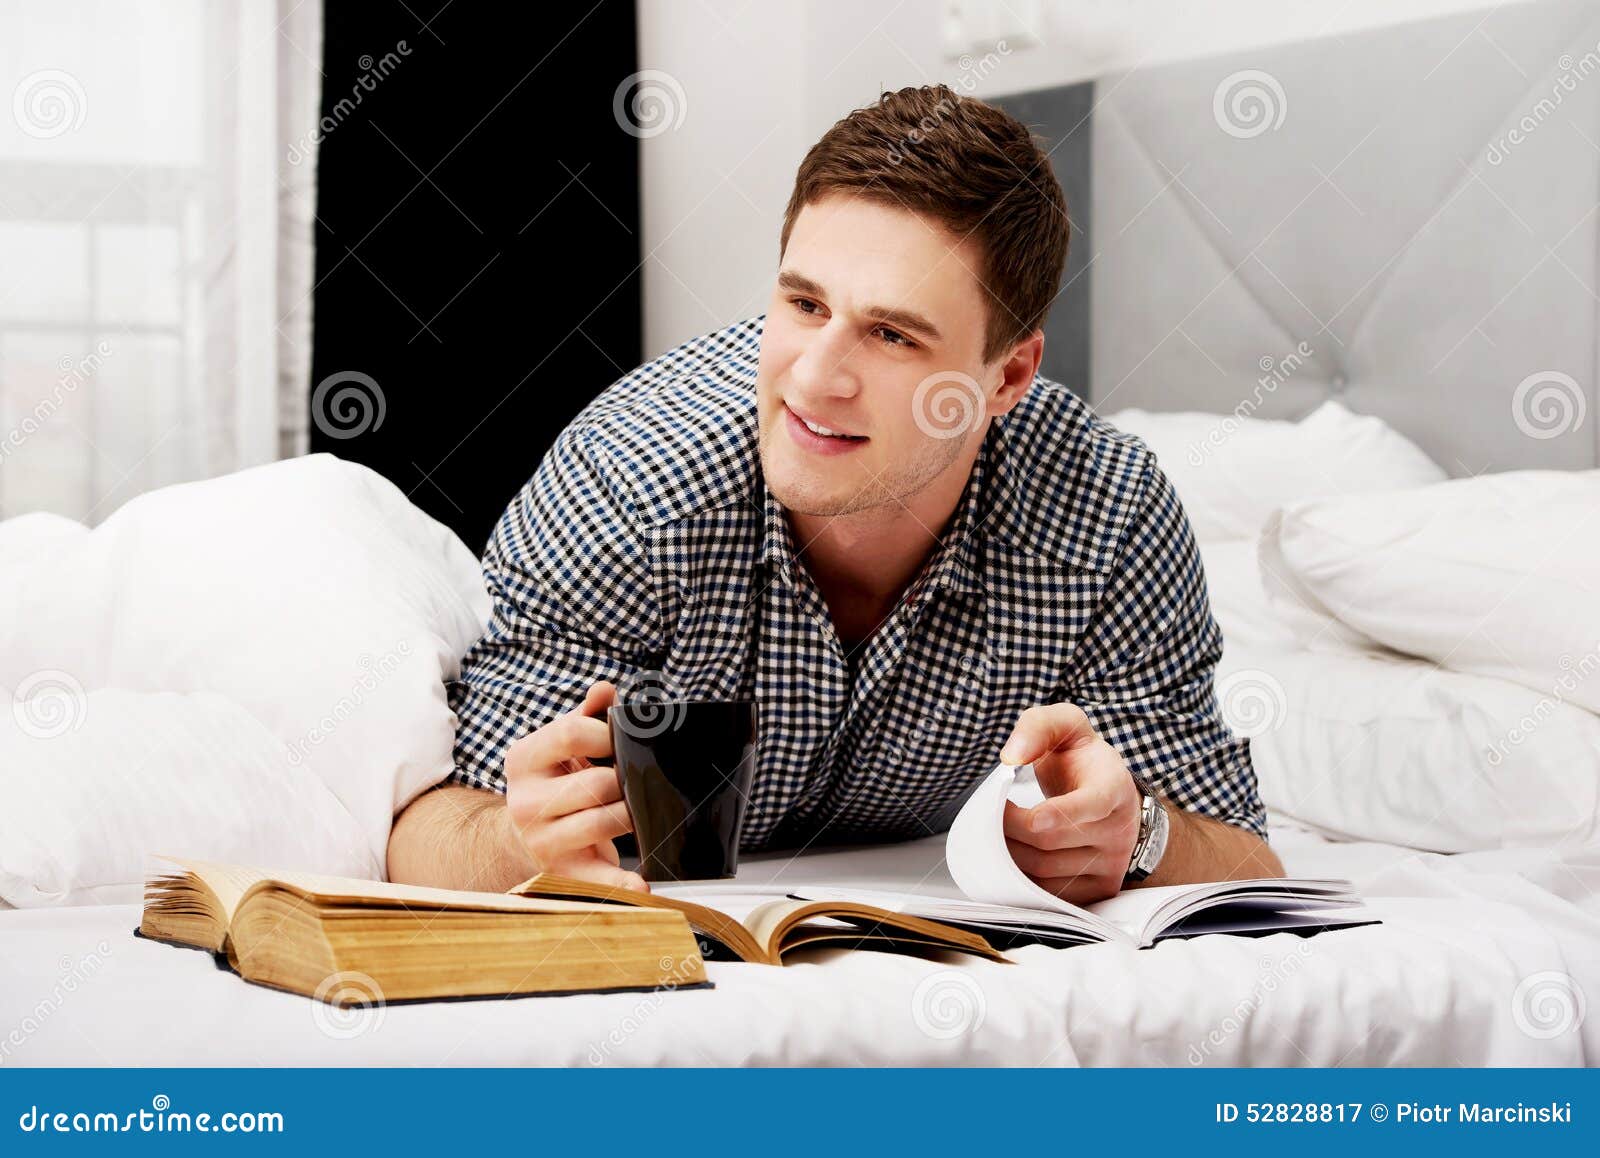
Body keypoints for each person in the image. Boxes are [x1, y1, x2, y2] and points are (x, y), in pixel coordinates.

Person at [388, 84, 1284, 900]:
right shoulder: (635, 483)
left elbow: (1246, 856)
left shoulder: (1109, 516)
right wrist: (518, 837)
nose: (814, 381)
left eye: (892, 335)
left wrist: (1140, 833)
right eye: (805, 305)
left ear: (1007, 375)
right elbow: (425, 836)